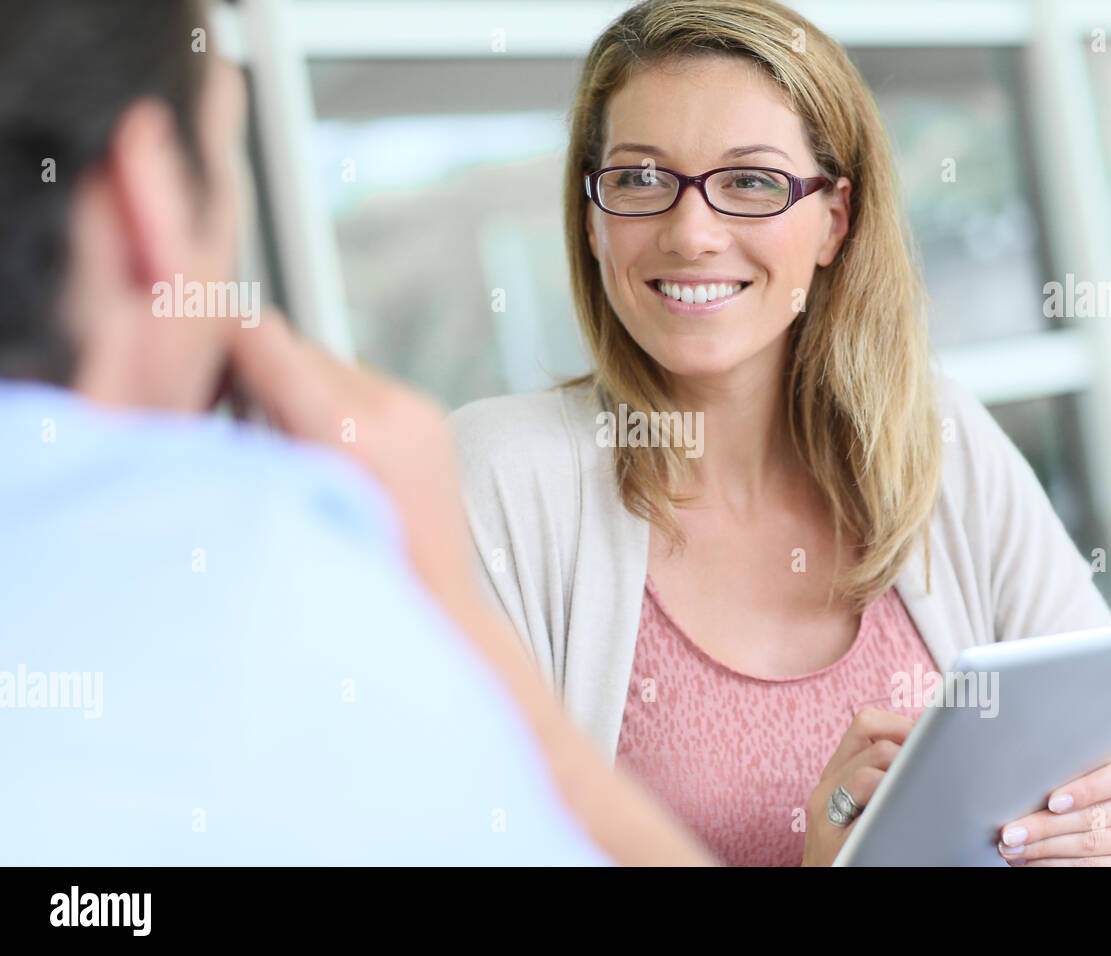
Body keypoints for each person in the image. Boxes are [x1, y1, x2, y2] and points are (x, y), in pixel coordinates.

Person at [450, 0, 1111, 866]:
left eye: (751, 182)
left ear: (835, 219)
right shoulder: (499, 482)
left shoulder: (934, 433)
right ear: (592, 218)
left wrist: (1108, 821)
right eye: (638, 179)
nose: (691, 232)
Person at [0, 0, 712, 866]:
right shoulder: (278, 576)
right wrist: (441, 601)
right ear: (150, 189)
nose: (694, 233)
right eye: (229, 151)